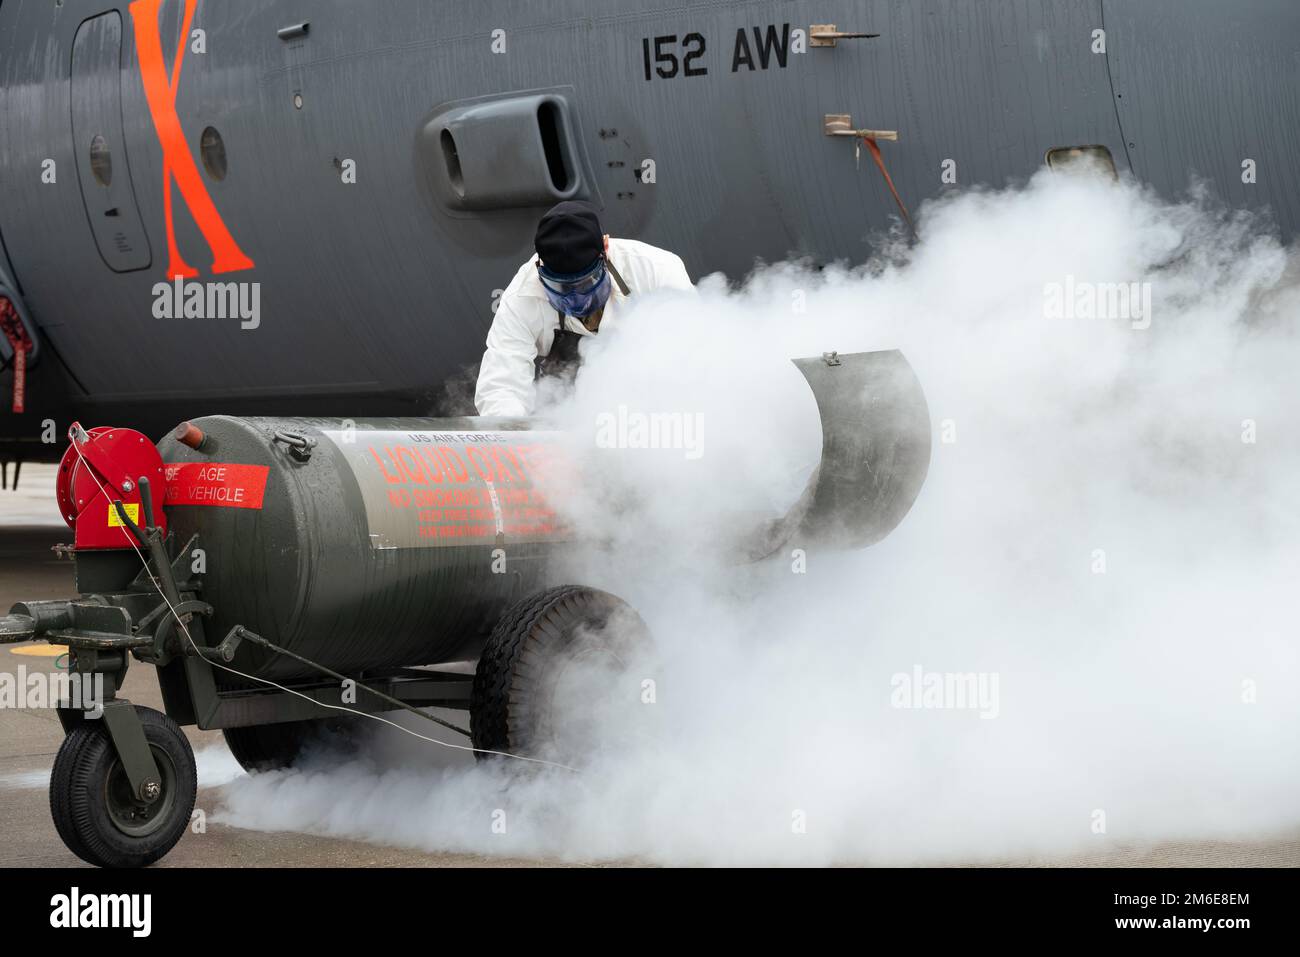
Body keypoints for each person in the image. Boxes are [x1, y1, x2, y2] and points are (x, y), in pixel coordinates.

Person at [474, 201, 693, 417]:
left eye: (586, 283)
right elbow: (502, 387)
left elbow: (691, 360)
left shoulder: (657, 271)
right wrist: (513, 436)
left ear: (605, 249)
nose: (575, 300)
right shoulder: (521, 296)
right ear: (539, 267)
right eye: (560, 286)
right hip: (568, 421)